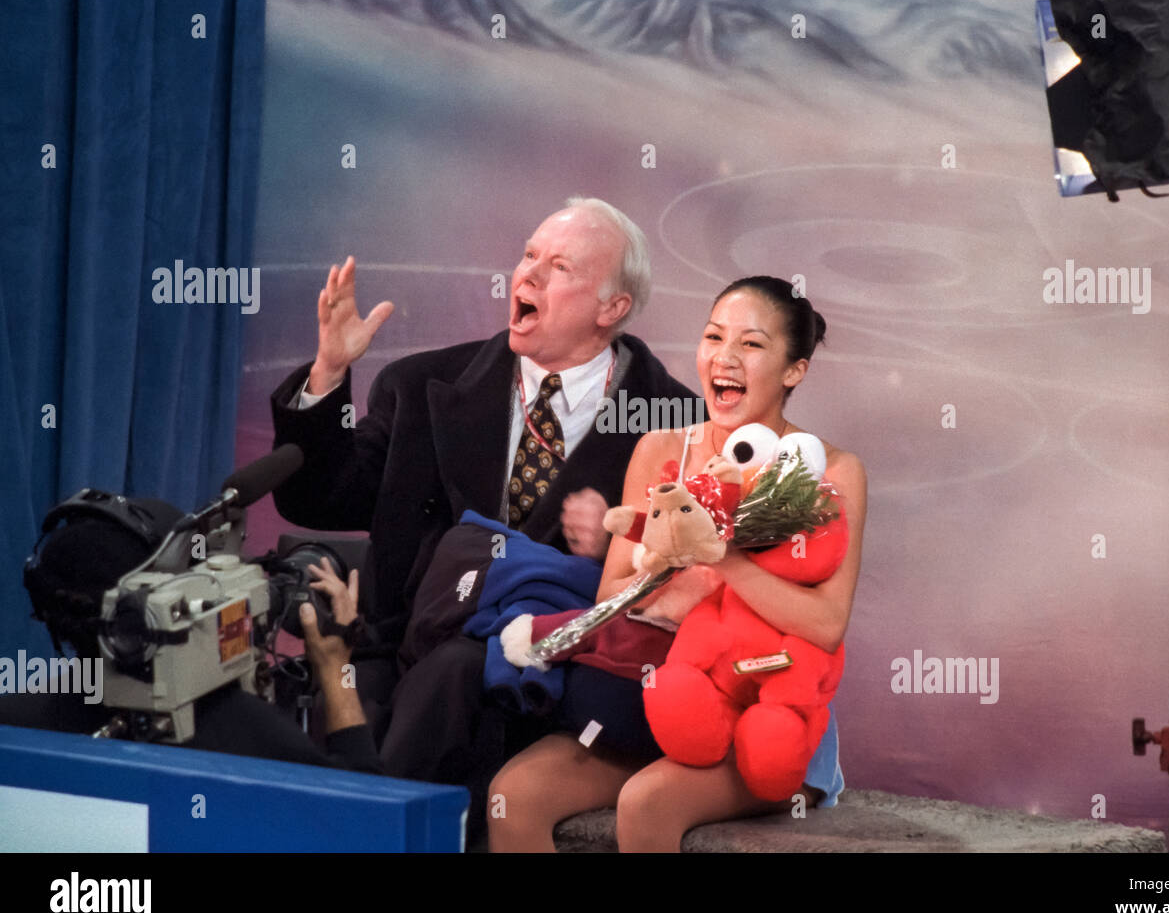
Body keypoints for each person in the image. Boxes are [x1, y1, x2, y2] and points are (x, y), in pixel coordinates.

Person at [268, 197, 699, 831]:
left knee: (453, 680)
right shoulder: (421, 386)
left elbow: (692, 582)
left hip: (556, 676)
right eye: (528, 256)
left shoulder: (676, 426)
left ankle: (373, 838)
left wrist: (621, 540)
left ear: (613, 308)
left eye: (559, 267)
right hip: (405, 651)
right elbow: (319, 499)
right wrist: (330, 371)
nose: (527, 276)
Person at [486, 276, 867, 852]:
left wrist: (725, 561)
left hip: (764, 713)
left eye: (752, 345)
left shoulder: (831, 471)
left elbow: (824, 623)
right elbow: (614, 593)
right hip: (653, 699)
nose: (725, 357)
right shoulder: (662, 451)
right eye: (714, 337)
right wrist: (680, 570)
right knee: (512, 797)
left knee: (647, 803)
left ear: (794, 370)